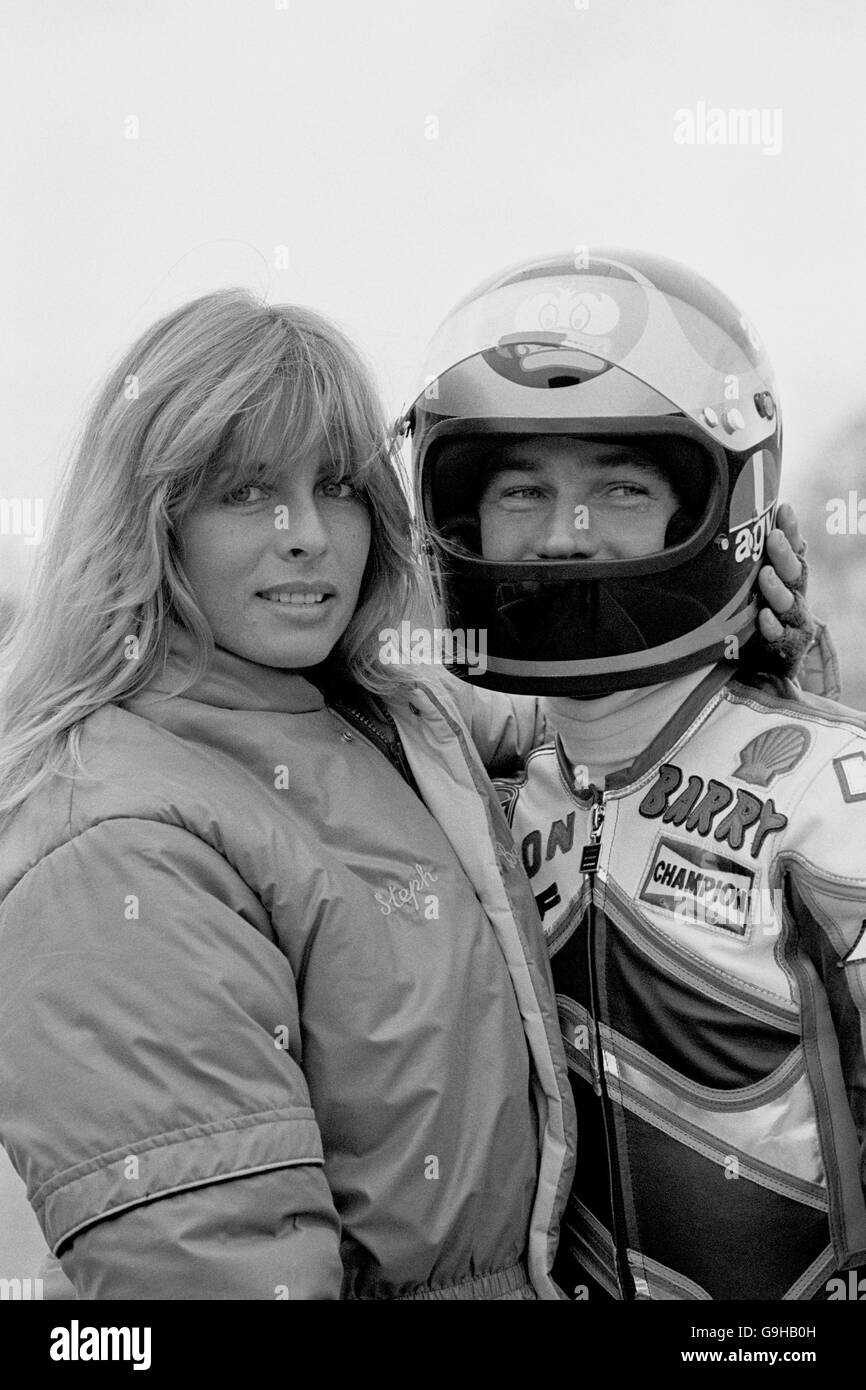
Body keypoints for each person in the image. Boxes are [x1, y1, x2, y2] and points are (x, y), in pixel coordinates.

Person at [0, 290, 575, 1300]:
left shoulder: (380, 714)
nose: (307, 533)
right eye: (245, 493)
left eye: (338, 487)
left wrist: (737, 626)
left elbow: (585, 742)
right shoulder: (115, 846)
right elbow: (214, 1274)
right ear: (152, 521)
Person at [408, 248, 864, 1301]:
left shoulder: (832, 797)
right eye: (522, 486)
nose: (566, 535)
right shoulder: (466, 797)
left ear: (713, 505)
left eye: (619, 486)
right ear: (462, 518)